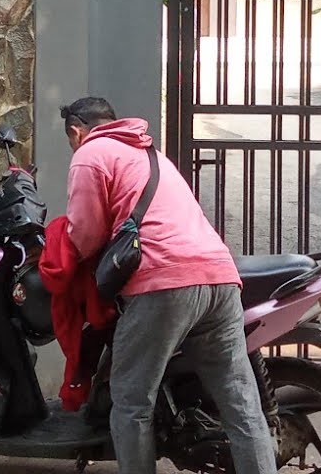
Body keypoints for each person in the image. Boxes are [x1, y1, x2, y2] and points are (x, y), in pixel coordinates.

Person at [60, 97, 277, 474]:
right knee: (241, 405)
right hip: (220, 279)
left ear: (77, 132)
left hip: (163, 283)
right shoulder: (150, 153)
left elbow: (85, 236)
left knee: (130, 404)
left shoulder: (90, 153)